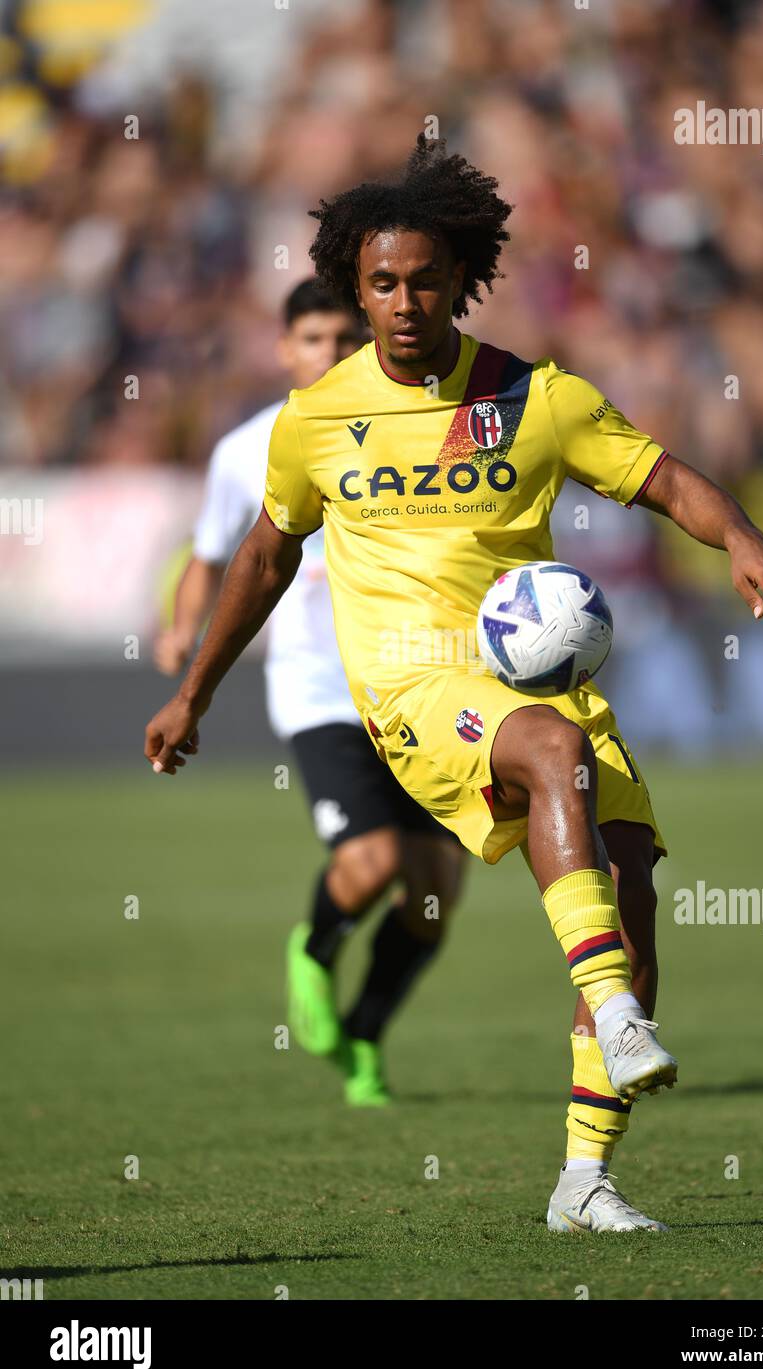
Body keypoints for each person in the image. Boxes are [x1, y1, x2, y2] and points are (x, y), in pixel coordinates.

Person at [145, 137, 763, 1233]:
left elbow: (657, 475)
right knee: (551, 764)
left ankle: (582, 1181)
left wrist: (733, 533)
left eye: (424, 280)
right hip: (410, 685)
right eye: (381, 284)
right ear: (356, 288)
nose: (403, 302)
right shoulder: (317, 421)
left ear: (461, 279)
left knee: (631, 893)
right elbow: (264, 557)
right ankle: (611, 1010)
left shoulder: (531, 395)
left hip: (536, 677)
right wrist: (194, 692)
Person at [155, 276, 465, 1107]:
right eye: (314, 340)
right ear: (285, 349)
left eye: (343, 338)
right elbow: (216, 554)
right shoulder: (248, 448)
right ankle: (314, 947)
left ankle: (364, 1035)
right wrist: (185, 630)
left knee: (434, 896)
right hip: (320, 684)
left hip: (418, 677)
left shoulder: (411, 428)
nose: (330, 352)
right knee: (373, 861)